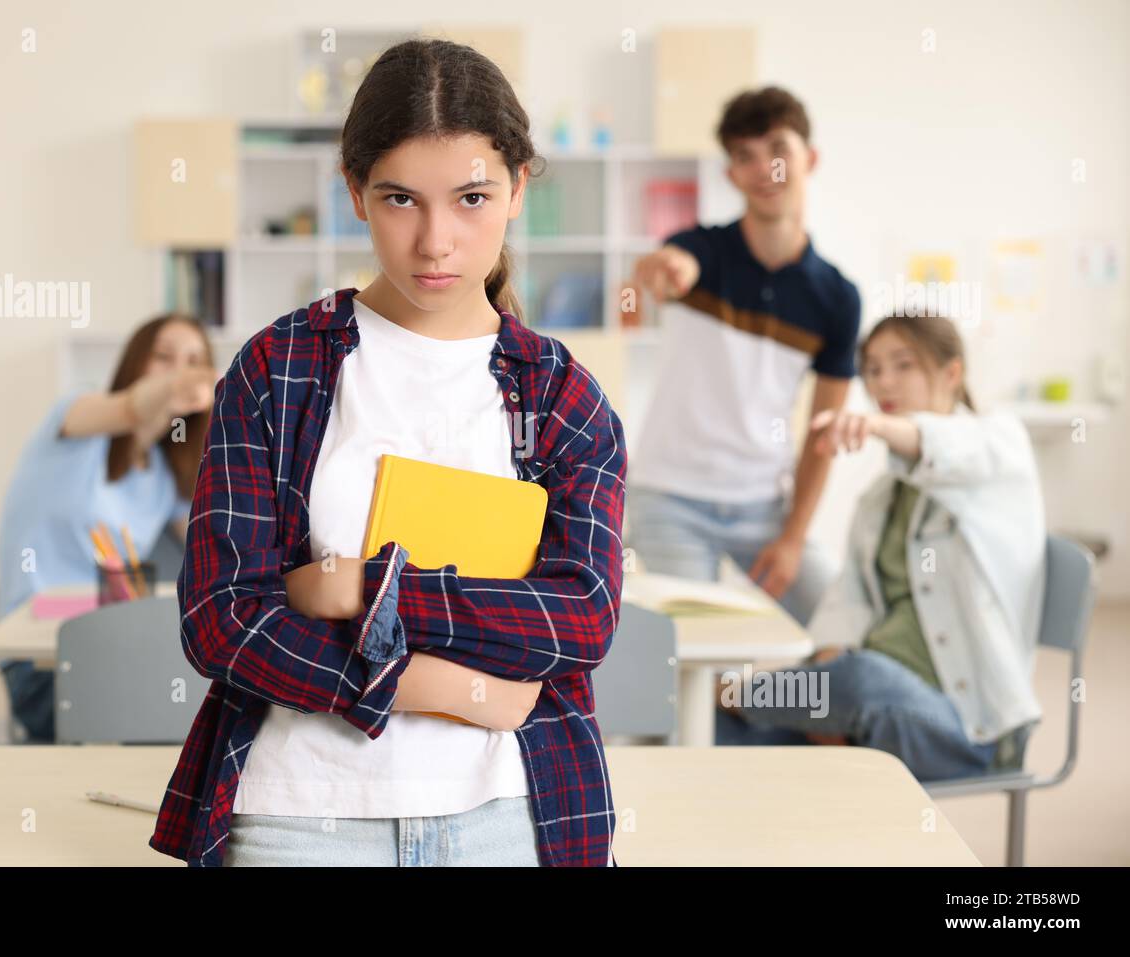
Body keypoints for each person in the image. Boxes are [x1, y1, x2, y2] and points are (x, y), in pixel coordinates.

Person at [149, 38, 626, 868]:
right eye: (401, 198)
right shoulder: (276, 369)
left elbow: (581, 616)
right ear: (354, 193)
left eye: (472, 197)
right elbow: (222, 620)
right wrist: (445, 685)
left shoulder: (561, 397)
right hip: (300, 812)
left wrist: (358, 586)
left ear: (518, 187)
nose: (436, 241)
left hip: (510, 813)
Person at [715, 314, 1046, 782]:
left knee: (860, 677)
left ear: (951, 374)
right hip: (871, 705)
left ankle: (736, 692)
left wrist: (875, 426)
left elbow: (947, 443)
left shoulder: (999, 446)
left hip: (966, 727)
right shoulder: (881, 498)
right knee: (718, 736)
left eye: (902, 365)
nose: (883, 382)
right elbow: (848, 597)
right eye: (872, 369)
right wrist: (825, 696)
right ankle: (740, 706)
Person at [626, 87, 861, 625]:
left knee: (842, 628)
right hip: (670, 501)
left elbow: (823, 434)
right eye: (744, 156)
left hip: (765, 509)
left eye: (778, 147)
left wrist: (794, 538)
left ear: (810, 159)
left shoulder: (836, 299)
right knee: (690, 658)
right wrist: (666, 269)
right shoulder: (701, 250)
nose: (764, 168)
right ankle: (724, 704)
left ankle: (759, 711)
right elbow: (670, 262)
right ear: (731, 175)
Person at [0, 313, 216, 742]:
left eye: (193, 360)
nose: (180, 371)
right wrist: (184, 384)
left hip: (111, 644)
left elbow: (211, 540)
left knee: (200, 710)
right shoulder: (77, 417)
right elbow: (131, 407)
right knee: (155, 726)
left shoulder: (164, 479)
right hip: (40, 657)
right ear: (135, 363)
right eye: (164, 357)